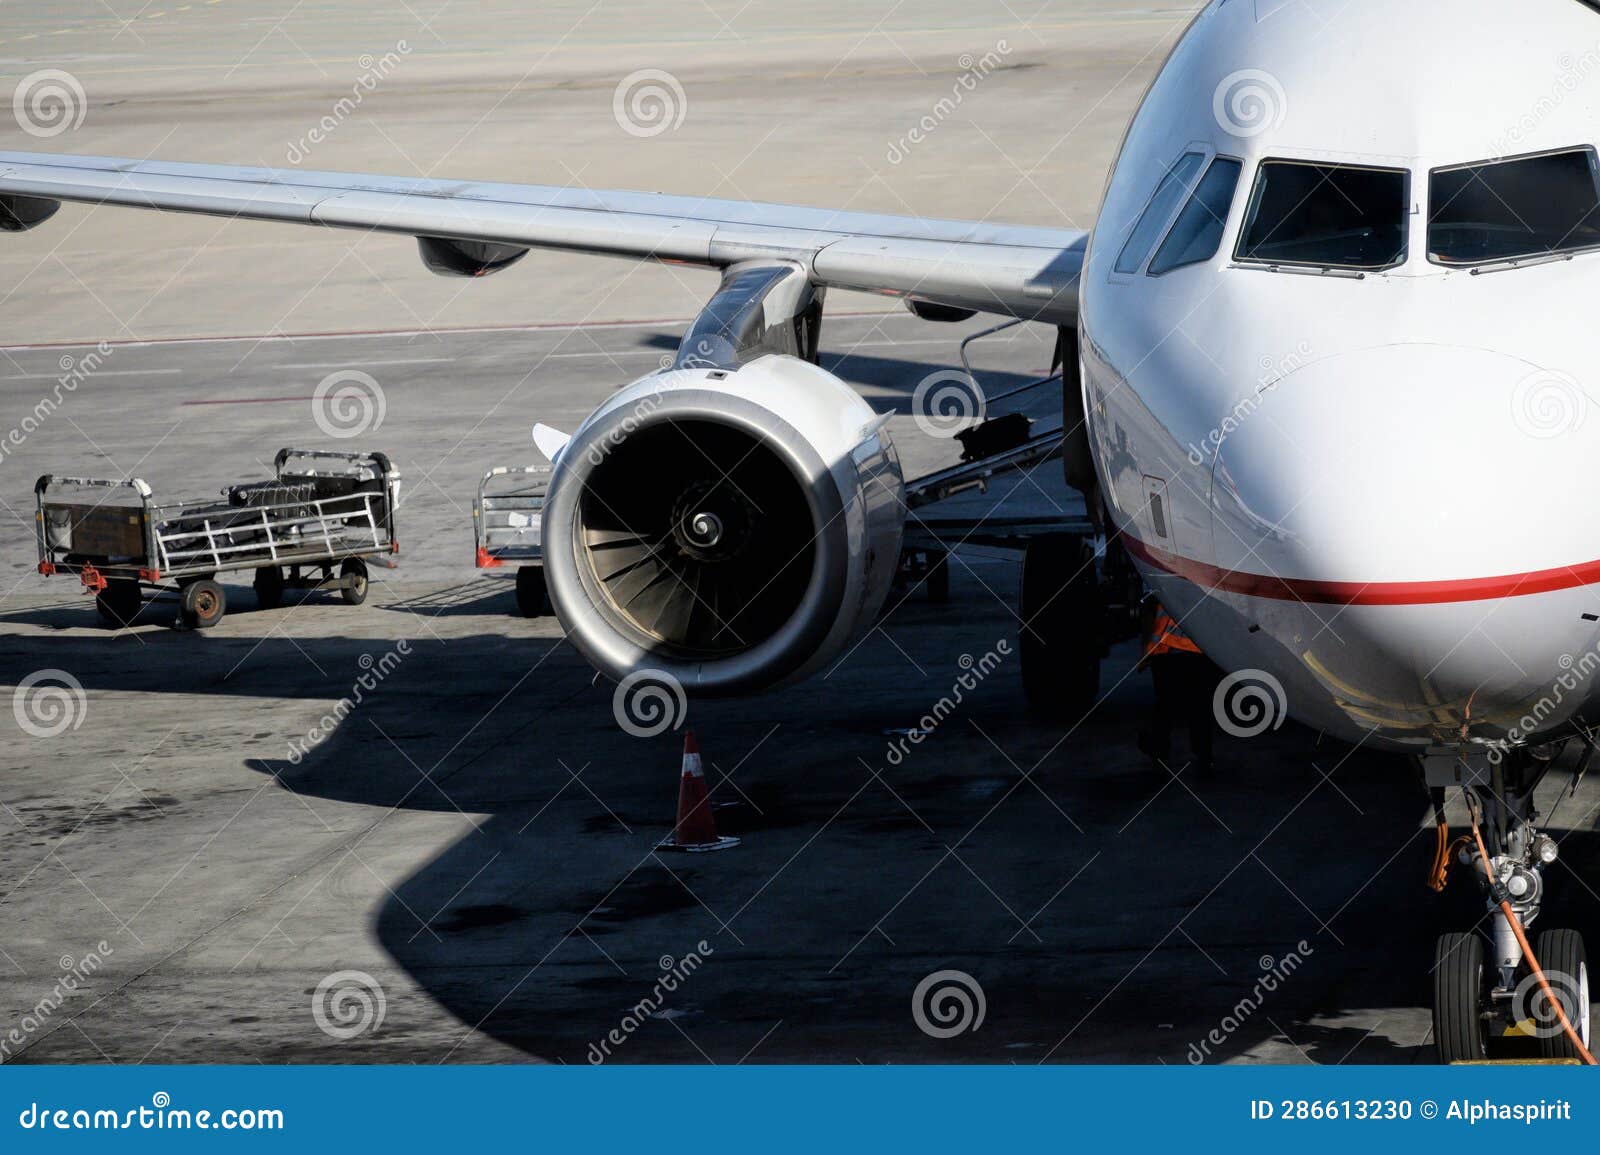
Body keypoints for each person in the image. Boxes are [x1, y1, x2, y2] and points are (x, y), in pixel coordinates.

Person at [1137, 596, 1219, 776]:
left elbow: (1150, 612)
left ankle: (1159, 751)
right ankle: (1204, 755)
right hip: (1197, 653)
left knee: (1166, 706)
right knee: (1198, 707)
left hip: (1166, 653)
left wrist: (1145, 650)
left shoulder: (1161, 577)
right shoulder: (1201, 581)